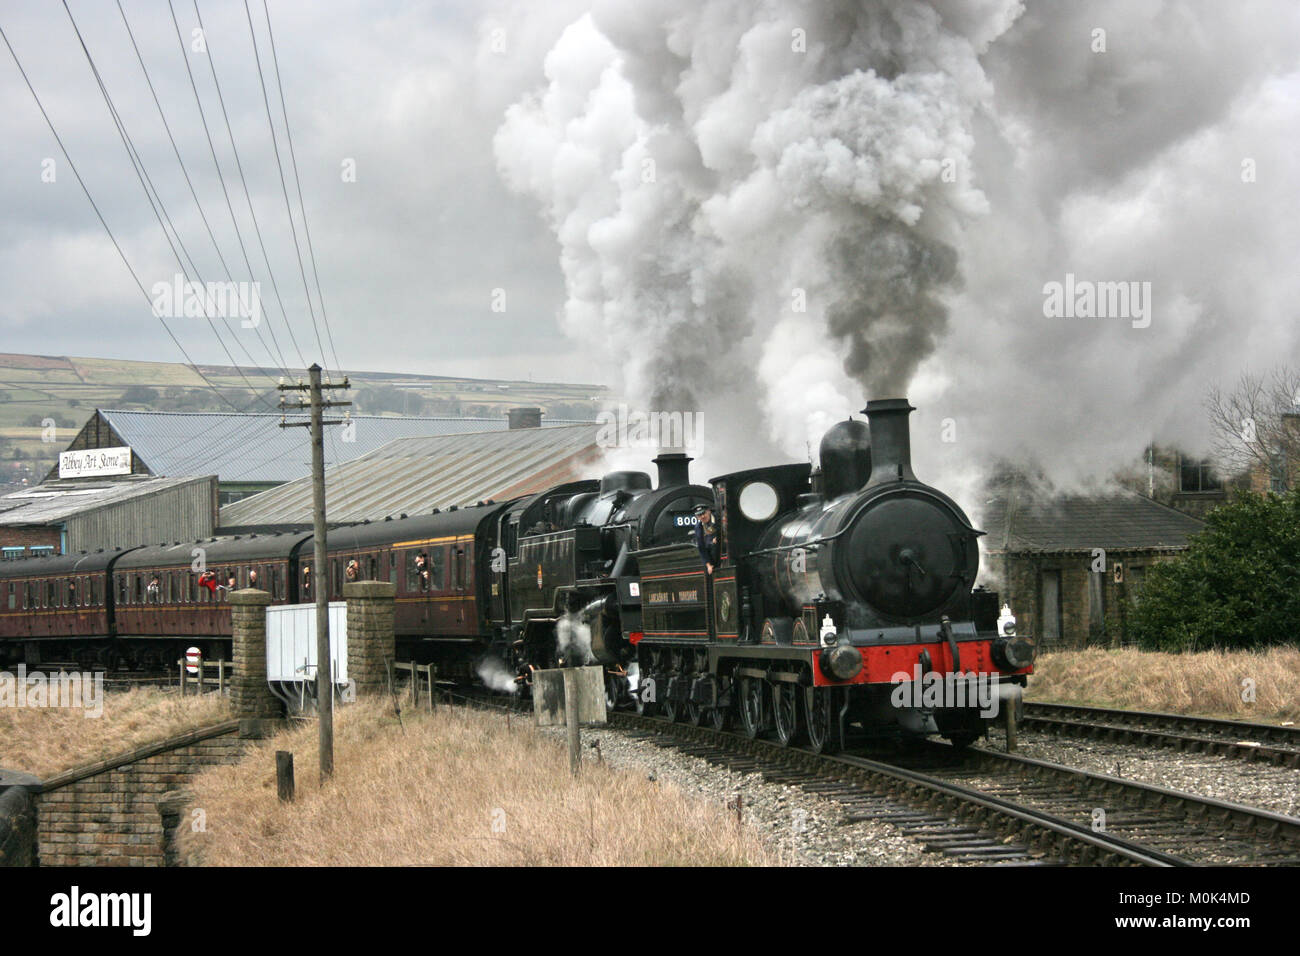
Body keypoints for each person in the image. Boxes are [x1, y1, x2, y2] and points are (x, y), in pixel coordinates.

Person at [692, 503, 721, 575]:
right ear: (696, 517)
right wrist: (708, 565)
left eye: (703, 513)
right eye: (699, 515)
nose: (702, 516)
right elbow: (701, 548)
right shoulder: (698, 528)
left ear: (709, 511)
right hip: (712, 558)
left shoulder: (719, 519)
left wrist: (719, 538)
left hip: (723, 555)